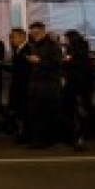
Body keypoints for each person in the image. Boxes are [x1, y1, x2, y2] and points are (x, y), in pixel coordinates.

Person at [25, 22, 65, 150]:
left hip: (48, 85)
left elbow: (57, 63)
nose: (33, 35)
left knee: (47, 113)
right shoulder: (34, 45)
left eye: (36, 32)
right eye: (32, 32)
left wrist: (39, 61)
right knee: (37, 113)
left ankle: (47, 139)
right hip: (37, 85)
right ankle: (40, 139)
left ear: (42, 32)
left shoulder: (52, 45)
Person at [61, 30, 94, 151]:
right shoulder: (78, 50)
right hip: (78, 86)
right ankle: (78, 137)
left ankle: (79, 137)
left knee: (78, 112)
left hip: (77, 87)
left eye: (66, 38)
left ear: (71, 39)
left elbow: (71, 66)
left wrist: (66, 61)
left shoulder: (77, 52)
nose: (64, 41)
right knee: (77, 112)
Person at [5, 28, 32, 143]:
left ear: (22, 37)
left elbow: (25, 70)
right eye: (11, 37)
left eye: (14, 37)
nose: (11, 40)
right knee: (18, 111)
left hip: (24, 86)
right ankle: (21, 133)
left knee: (24, 111)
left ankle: (25, 135)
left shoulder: (28, 49)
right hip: (17, 85)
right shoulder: (17, 49)